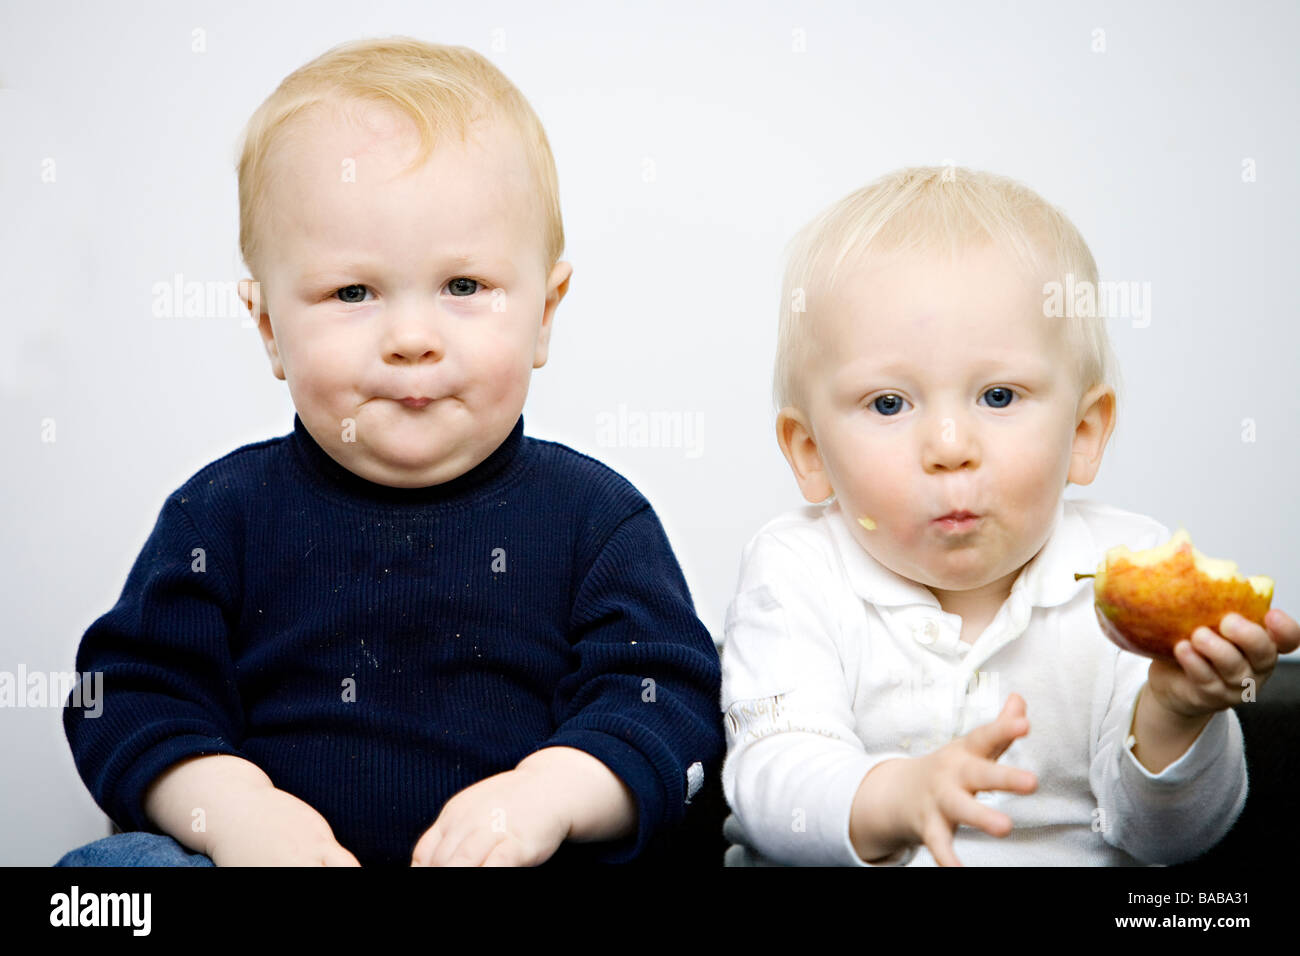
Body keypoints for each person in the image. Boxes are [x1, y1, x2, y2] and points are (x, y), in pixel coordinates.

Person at [58, 37, 722, 867]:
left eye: (464, 287)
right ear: (268, 326)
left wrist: (545, 796)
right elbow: (121, 696)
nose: (411, 338)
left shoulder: (595, 519)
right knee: (109, 876)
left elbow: (669, 703)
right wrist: (234, 814)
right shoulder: (220, 514)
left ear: (546, 311)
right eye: (353, 292)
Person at [719, 165, 1298, 866]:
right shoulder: (796, 569)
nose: (950, 447)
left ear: (1084, 434)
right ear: (809, 451)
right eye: (889, 404)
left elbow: (1169, 844)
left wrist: (1176, 714)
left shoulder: (1123, 572)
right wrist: (895, 795)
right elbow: (771, 774)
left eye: (998, 397)